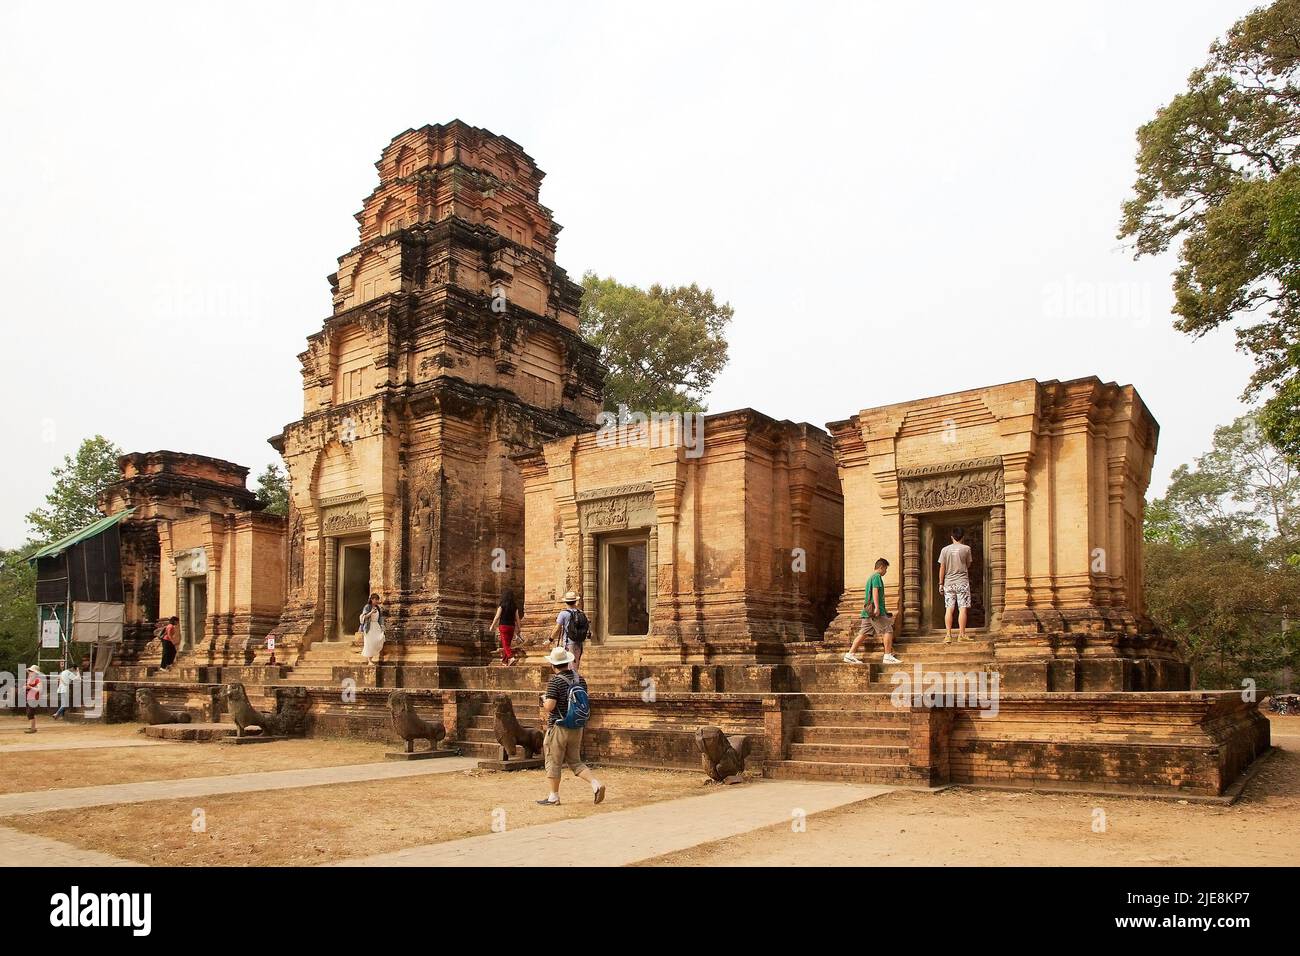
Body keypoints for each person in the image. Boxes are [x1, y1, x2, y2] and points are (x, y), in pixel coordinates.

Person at [535, 646, 605, 807]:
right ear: (568, 662)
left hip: (559, 726)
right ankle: (595, 784)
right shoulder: (580, 679)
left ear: (553, 665)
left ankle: (553, 796)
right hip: (577, 726)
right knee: (575, 761)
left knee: (553, 760)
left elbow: (550, 706)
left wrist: (544, 699)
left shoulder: (555, 681)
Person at [843, 558, 902, 666]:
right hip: (874, 611)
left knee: (863, 633)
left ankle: (849, 655)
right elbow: (875, 591)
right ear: (881, 567)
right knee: (888, 630)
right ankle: (888, 656)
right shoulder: (877, 577)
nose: (886, 571)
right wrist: (877, 607)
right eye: (885, 569)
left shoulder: (870, 577)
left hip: (867, 612)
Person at [938, 527, 975, 643]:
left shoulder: (944, 550)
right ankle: (961, 634)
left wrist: (940, 583)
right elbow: (968, 564)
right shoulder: (966, 549)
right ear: (963, 537)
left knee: (949, 609)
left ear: (951, 537)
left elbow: (942, 567)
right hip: (962, 582)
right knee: (962, 608)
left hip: (948, 583)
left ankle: (948, 635)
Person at [550, 591, 590, 677]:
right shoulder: (581, 612)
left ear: (566, 602)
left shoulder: (563, 614)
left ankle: (571, 684)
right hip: (579, 642)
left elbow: (557, 628)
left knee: (569, 666)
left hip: (569, 642)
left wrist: (550, 638)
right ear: (575, 601)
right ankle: (575, 683)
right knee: (576, 665)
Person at [490, 589, 523, 666]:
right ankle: (505, 661)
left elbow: (497, 616)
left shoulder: (502, 605)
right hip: (511, 627)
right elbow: (517, 619)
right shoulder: (514, 607)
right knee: (507, 644)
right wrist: (519, 628)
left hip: (503, 626)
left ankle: (511, 657)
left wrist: (492, 625)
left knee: (505, 644)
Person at [359, 592, 385, 665]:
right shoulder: (367, 607)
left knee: (377, 641)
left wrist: (382, 625)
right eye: (375, 599)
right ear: (372, 600)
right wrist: (371, 612)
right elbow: (364, 617)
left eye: (377, 599)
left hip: (376, 626)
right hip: (369, 627)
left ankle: (371, 658)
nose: (376, 601)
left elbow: (380, 618)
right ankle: (369, 660)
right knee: (369, 643)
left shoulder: (378, 608)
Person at [24, 665, 43, 734]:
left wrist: (30, 687)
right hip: (29, 698)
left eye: (31, 671)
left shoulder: (38, 680)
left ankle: (33, 728)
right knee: (30, 713)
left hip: (34, 698)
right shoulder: (30, 679)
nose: (29, 672)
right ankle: (33, 727)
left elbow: (39, 690)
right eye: (29, 671)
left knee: (30, 713)